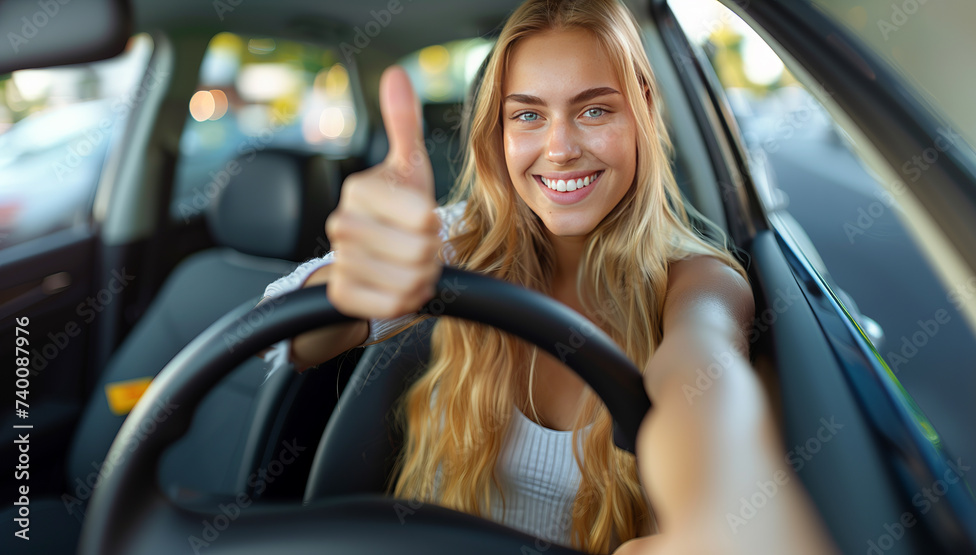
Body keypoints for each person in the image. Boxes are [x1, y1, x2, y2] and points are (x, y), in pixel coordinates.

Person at [259, 0, 836, 553]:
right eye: (528, 115)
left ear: (642, 112)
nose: (559, 149)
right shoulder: (464, 240)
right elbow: (283, 333)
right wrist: (351, 283)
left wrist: (727, 515)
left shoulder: (697, 280)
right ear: (499, 131)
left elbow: (706, 376)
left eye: (594, 110)